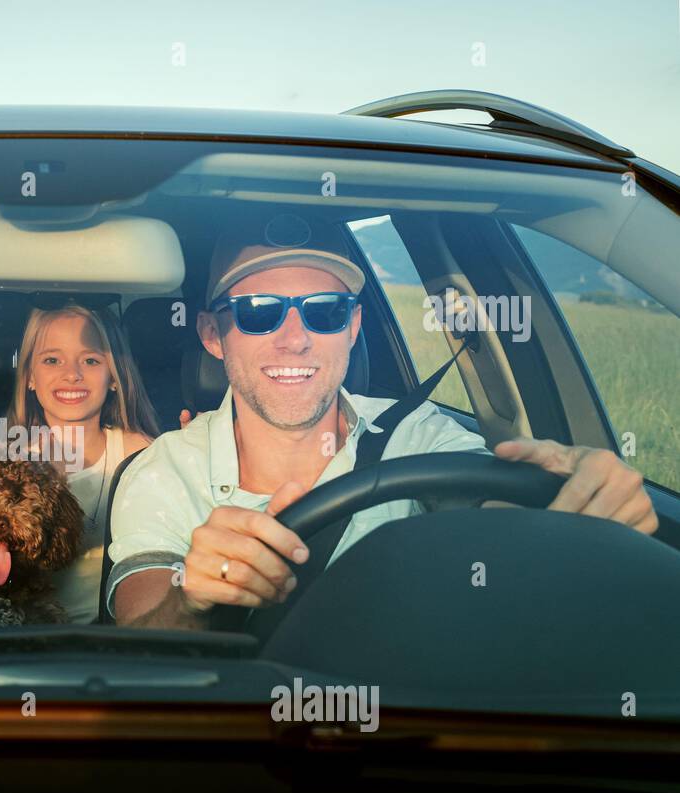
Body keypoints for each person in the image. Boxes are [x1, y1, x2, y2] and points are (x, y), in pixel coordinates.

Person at [108, 220, 658, 628]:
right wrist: (189, 598)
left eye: (325, 311)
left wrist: (576, 506)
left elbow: (495, 513)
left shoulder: (416, 435)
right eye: (258, 311)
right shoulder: (163, 468)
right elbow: (140, 632)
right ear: (211, 334)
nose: (294, 338)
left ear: (352, 326)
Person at [5, 303, 158, 622]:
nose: (72, 374)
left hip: (118, 635)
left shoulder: (142, 452)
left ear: (114, 378)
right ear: (30, 377)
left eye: (90, 360)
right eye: (51, 360)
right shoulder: (10, 461)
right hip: (30, 638)